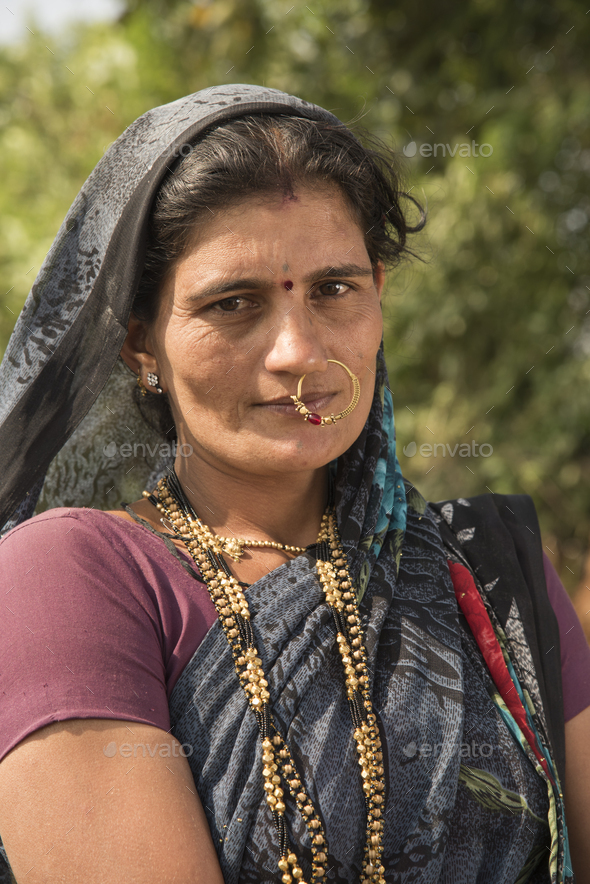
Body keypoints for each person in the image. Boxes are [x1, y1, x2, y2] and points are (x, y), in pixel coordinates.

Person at [0, 84, 588, 884]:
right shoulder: (72, 578)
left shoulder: (490, 574)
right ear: (141, 346)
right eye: (233, 304)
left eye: (333, 289)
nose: (298, 352)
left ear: (378, 297)